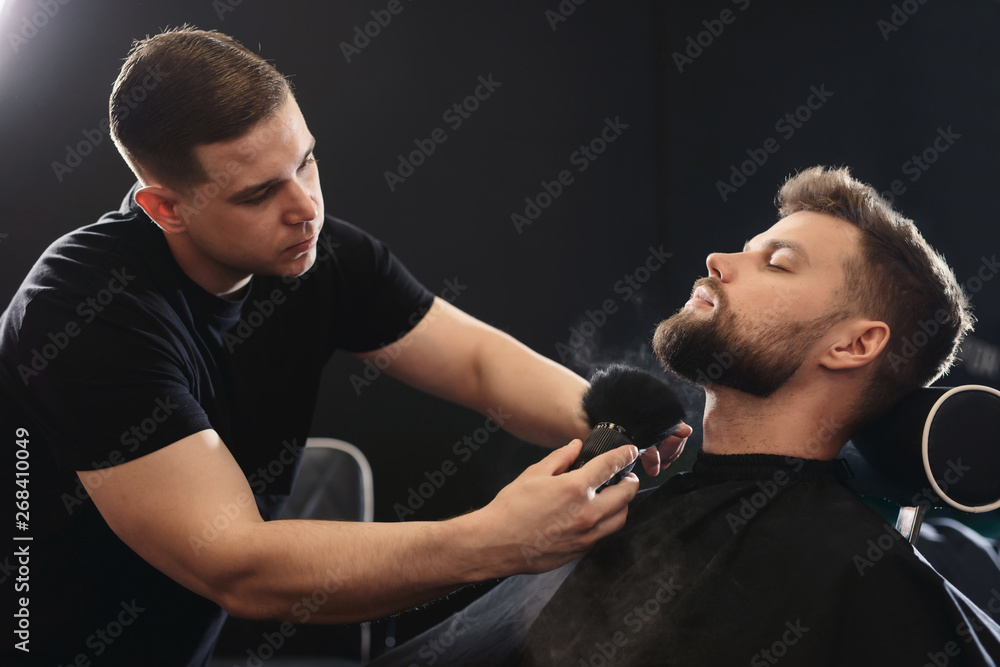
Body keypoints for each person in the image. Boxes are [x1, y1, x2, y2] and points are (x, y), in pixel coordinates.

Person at [0, 27, 691, 665]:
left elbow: (482, 366)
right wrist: (496, 539)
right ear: (166, 208)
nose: (305, 205)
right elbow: (239, 563)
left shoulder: (315, 254)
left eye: (306, 162)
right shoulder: (83, 311)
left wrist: (616, 429)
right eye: (260, 192)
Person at [369, 166, 1000, 666]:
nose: (719, 262)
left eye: (777, 263)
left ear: (854, 345)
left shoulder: (858, 577)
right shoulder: (633, 503)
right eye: (747, 249)